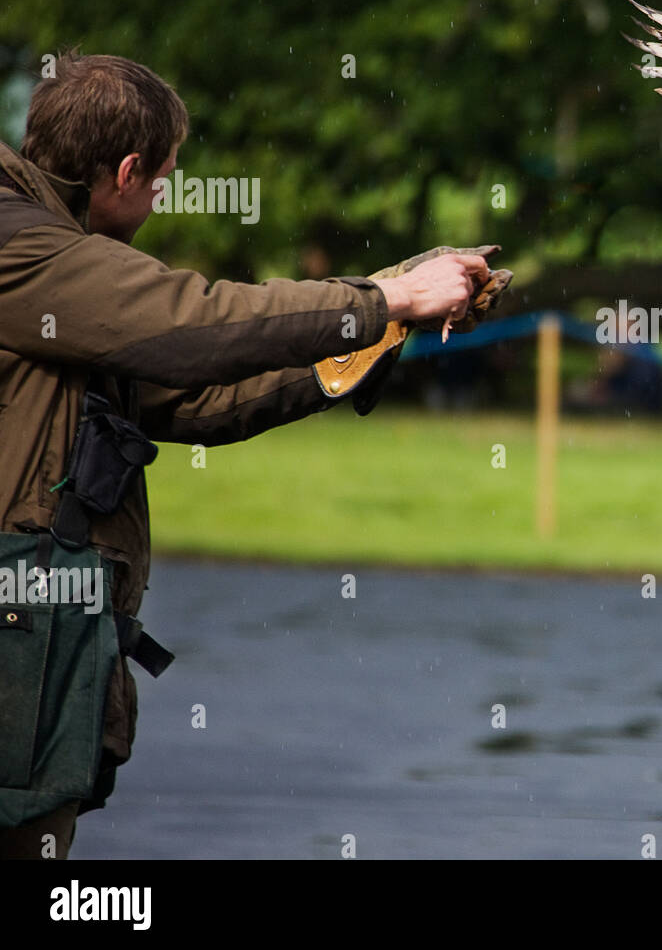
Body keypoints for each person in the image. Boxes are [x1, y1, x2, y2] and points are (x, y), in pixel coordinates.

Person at [0, 53, 492, 858]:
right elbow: (192, 322)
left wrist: (372, 335)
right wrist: (384, 299)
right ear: (127, 172)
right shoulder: (26, 249)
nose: (160, 197)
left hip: (39, 642)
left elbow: (195, 398)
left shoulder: (60, 272)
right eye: (161, 180)